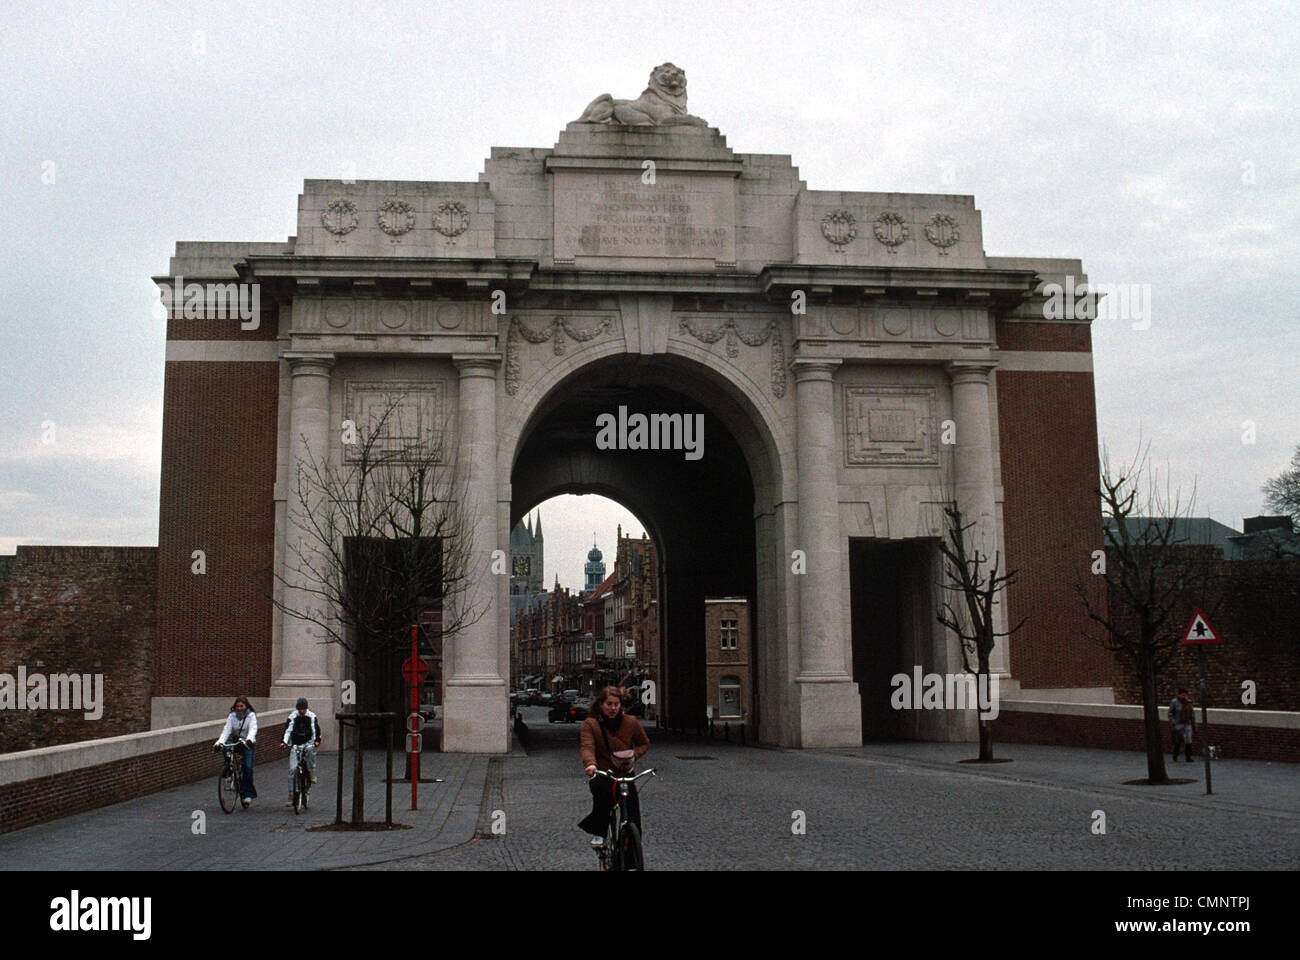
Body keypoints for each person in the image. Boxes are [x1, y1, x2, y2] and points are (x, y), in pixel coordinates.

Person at [578, 686, 649, 846]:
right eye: (609, 704)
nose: (613, 708)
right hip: (603, 772)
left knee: (633, 815)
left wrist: (633, 755)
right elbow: (587, 747)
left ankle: (632, 854)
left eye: (616, 704)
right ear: (601, 704)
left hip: (625, 772)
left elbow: (644, 743)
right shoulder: (591, 724)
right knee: (602, 796)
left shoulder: (631, 722)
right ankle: (599, 832)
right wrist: (591, 765)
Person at [214, 696, 259, 807]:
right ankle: (229, 773)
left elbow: (253, 729)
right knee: (226, 748)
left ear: (246, 706)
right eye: (237, 706)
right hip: (236, 741)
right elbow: (226, 730)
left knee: (247, 767)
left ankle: (248, 794)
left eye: (241, 706)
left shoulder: (250, 716)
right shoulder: (232, 716)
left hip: (247, 743)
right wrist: (219, 742)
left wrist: (249, 740)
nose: (239, 708)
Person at [281, 697, 321, 805]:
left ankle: (312, 772)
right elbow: (288, 730)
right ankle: (291, 795)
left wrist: (316, 740)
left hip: (308, 743)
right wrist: (284, 741)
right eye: (300, 709)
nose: (302, 711)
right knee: (292, 770)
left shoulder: (311, 716)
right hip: (296, 744)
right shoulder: (293, 716)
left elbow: (315, 729)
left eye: (303, 709)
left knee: (310, 753)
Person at [1169, 687, 1195, 762]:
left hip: (1187, 723)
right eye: (1183, 695)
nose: (1184, 697)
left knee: (1188, 740)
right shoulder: (1174, 702)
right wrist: (1173, 723)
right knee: (1178, 741)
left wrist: (1194, 724)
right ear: (1179, 695)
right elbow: (1171, 713)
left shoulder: (1188, 703)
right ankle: (1175, 755)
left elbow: (1192, 714)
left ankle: (1188, 757)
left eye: (1185, 695)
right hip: (1178, 723)